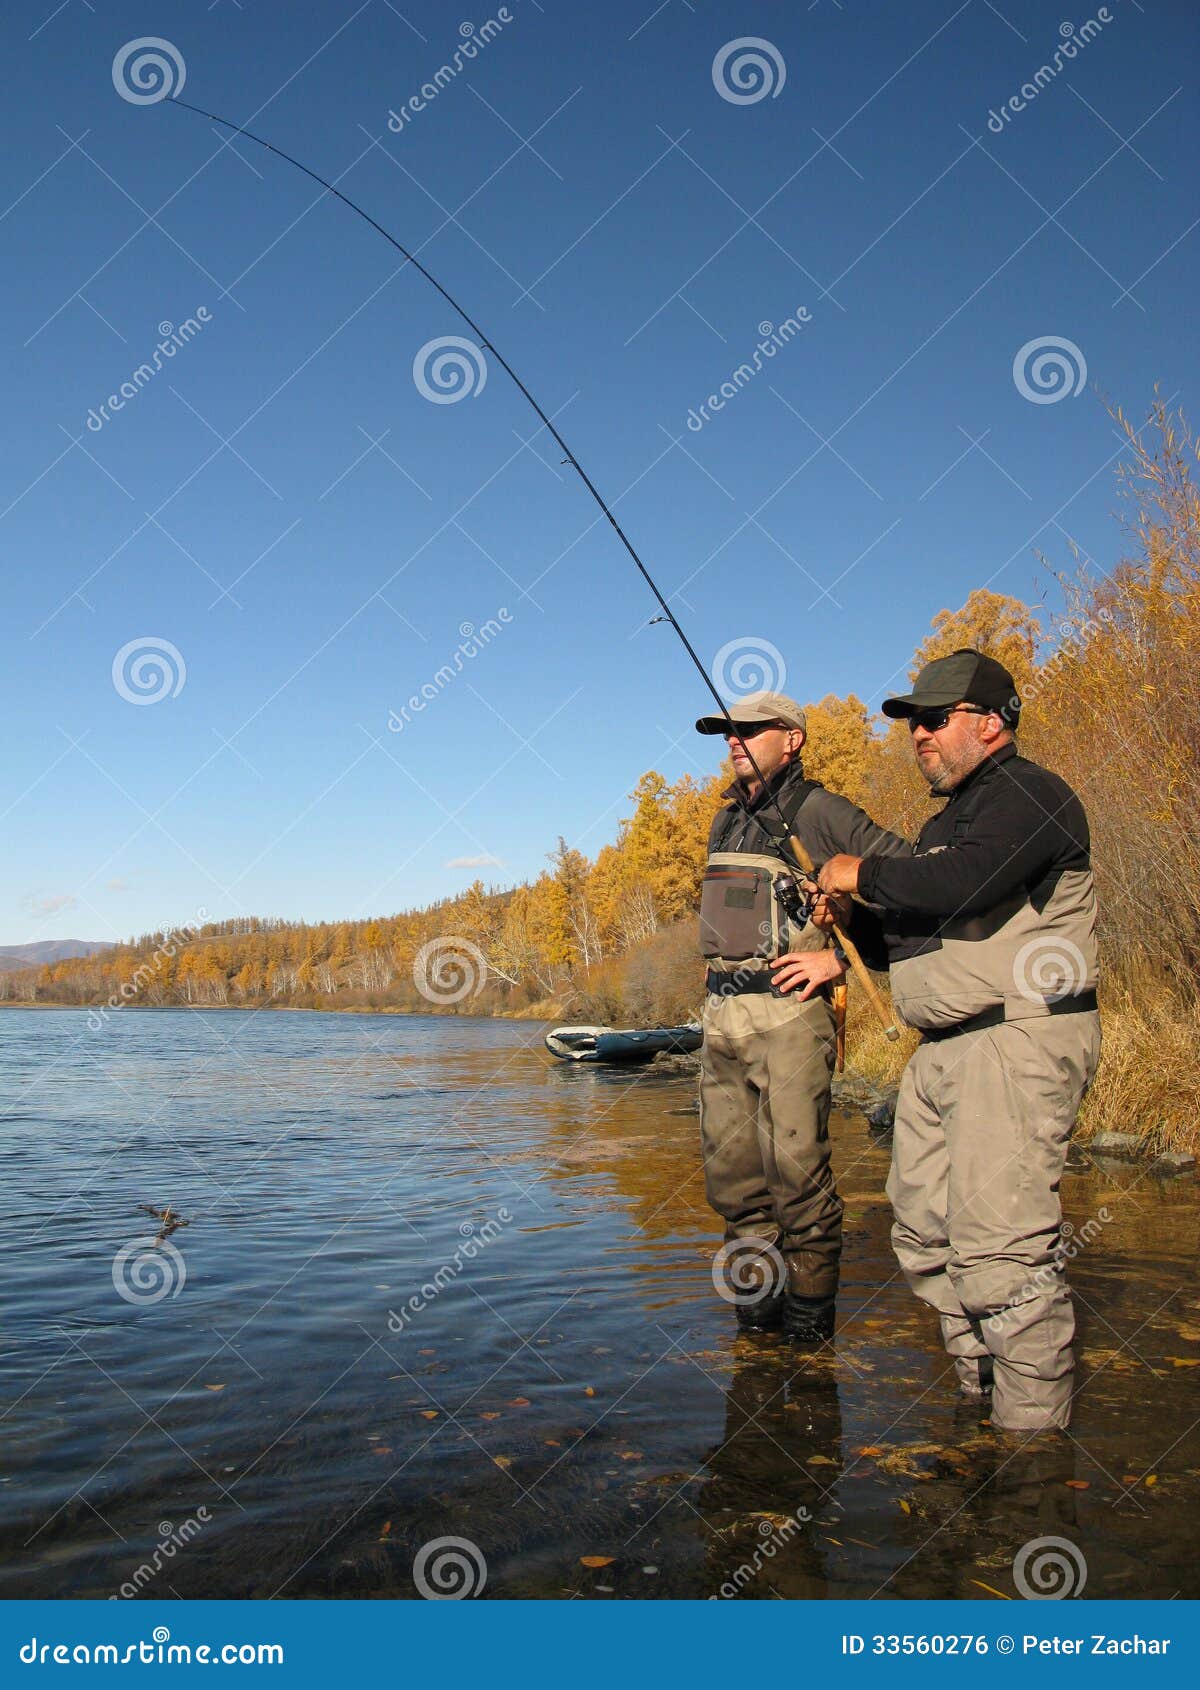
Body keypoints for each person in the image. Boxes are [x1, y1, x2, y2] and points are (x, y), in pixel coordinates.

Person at [817, 649, 1100, 1431]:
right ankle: (981, 1409)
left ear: (993, 723)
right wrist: (855, 922)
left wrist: (860, 873)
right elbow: (911, 942)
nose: (919, 734)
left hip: (1014, 1043)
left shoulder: (1030, 796)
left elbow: (964, 883)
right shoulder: (945, 823)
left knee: (1002, 1257)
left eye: (935, 719)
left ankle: (1031, 1455)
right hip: (941, 1051)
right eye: (914, 722)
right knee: (924, 1236)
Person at [695, 689, 906, 1342]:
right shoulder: (724, 820)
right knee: (736, 1192)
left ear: (793, 740)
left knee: (800, 1188)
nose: (734, 740)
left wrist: (837, 961)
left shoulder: (819, 810)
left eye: (751, 729)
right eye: (728, 731)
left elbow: (910, 879)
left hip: (789, 1020)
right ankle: (757, 1336)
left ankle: (811, 1344)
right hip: (721, 1023)